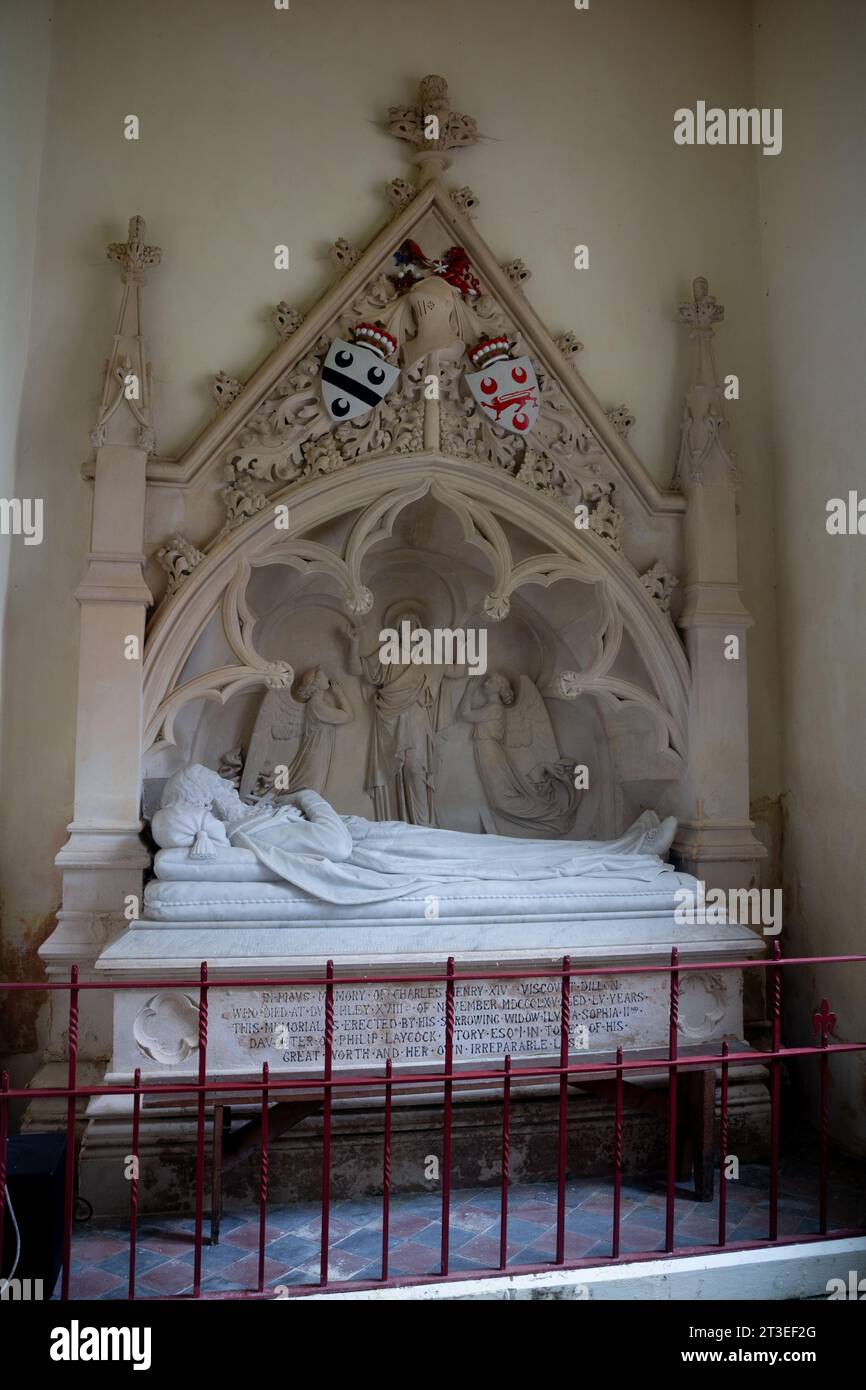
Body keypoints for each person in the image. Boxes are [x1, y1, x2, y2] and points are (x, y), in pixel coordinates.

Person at [152, 763, 678, 907]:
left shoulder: (254, 819)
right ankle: (627, 860)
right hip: (385, 854)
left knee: (498, 851)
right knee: (498, 858)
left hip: (382, 839)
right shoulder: (253, 833)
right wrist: (308, 796)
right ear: (207, 802)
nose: (226, 783)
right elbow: (333, 846)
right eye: (215, 783)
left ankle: (623, 850)